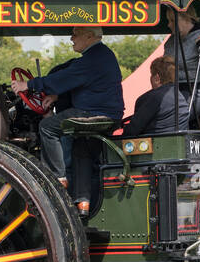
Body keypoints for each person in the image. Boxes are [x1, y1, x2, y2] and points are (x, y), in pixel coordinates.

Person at [9, 26, 123, 186]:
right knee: (80, 148)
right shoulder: (101, 55)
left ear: (89, 36)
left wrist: (28, 84)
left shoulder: (91, 60)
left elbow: (63, 78)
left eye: (75, 35)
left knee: (47, 126)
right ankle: (82, 199)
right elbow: (79, 80)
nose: (71, 39)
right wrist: (56, 95)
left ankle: (57, 178)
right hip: (106, 111)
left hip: (94, 112)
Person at [163, 4, 200, 122]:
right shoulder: (170, 43)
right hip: (177, 88)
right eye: (168, 21)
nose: (169, 25)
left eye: (172, 20)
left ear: (187, 17)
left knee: (178, 118)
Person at [122, 56, 188, 136]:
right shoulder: (181, 97)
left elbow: (132, 131)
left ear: (157, 78)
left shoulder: (152, 98)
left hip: (156, 145)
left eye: (151, 74)